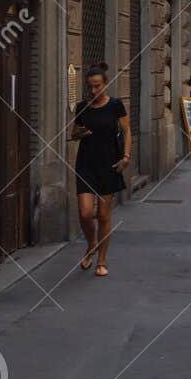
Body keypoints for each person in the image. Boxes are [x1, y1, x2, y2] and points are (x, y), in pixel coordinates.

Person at [71, 63, 131, 277]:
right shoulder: (82, 107)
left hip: (109, 164)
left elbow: (127, 130)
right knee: (85, 213)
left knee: (104, 215)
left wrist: (126, 157)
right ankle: (91, 244)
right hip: (86, 164)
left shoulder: (115, 105)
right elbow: (74, 134)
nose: (93, 90)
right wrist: (78, 133)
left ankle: (102, 260)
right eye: (90, 86)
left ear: (106, 84)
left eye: (97, 86)